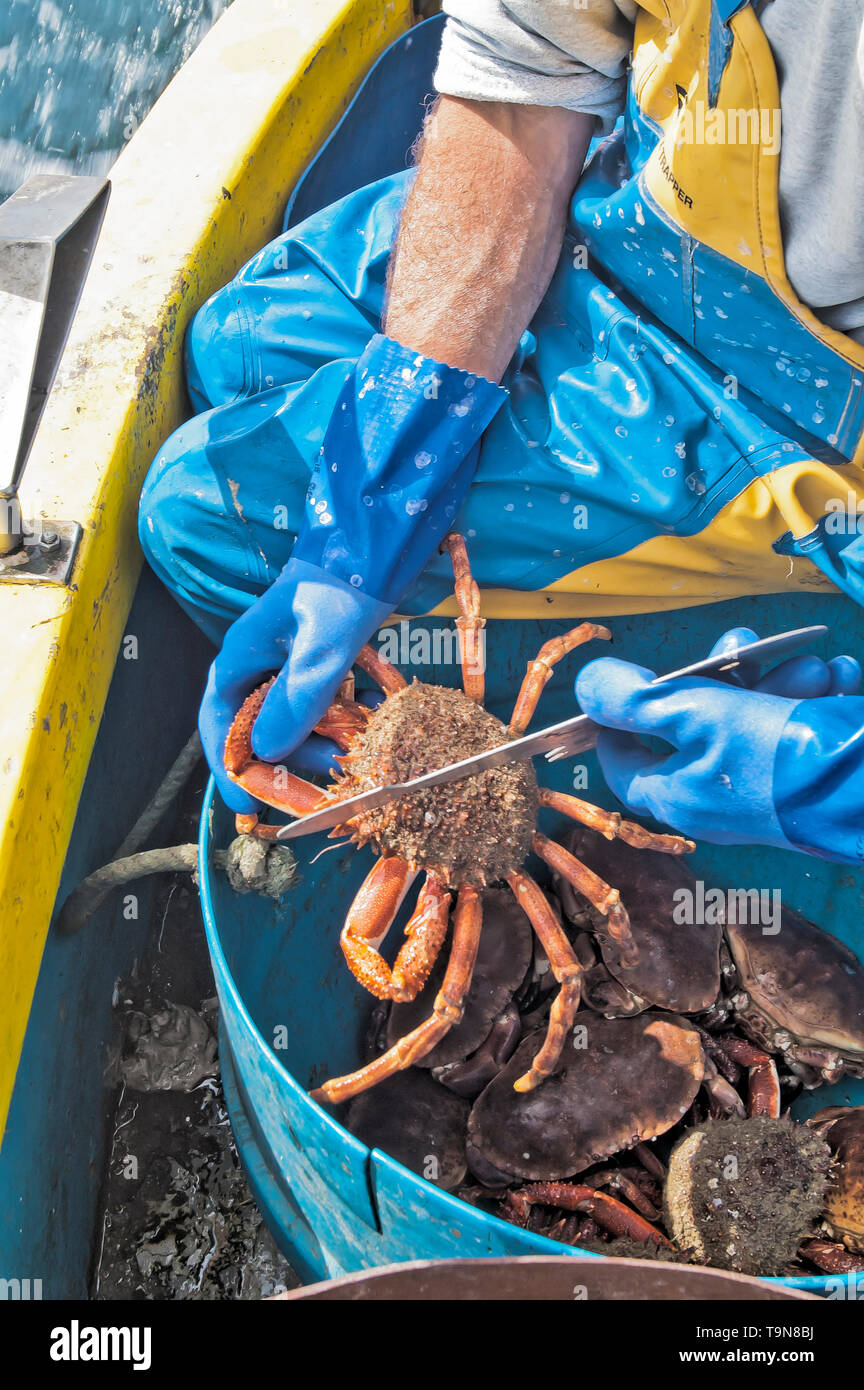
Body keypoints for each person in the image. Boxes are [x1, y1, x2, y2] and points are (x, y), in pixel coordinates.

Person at [138, 0, 864, 863]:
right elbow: (525, 72)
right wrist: (376, 496)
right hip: (660, 220)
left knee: (203, 519)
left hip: (820, 434)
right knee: (240, 348)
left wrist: (837, 787)